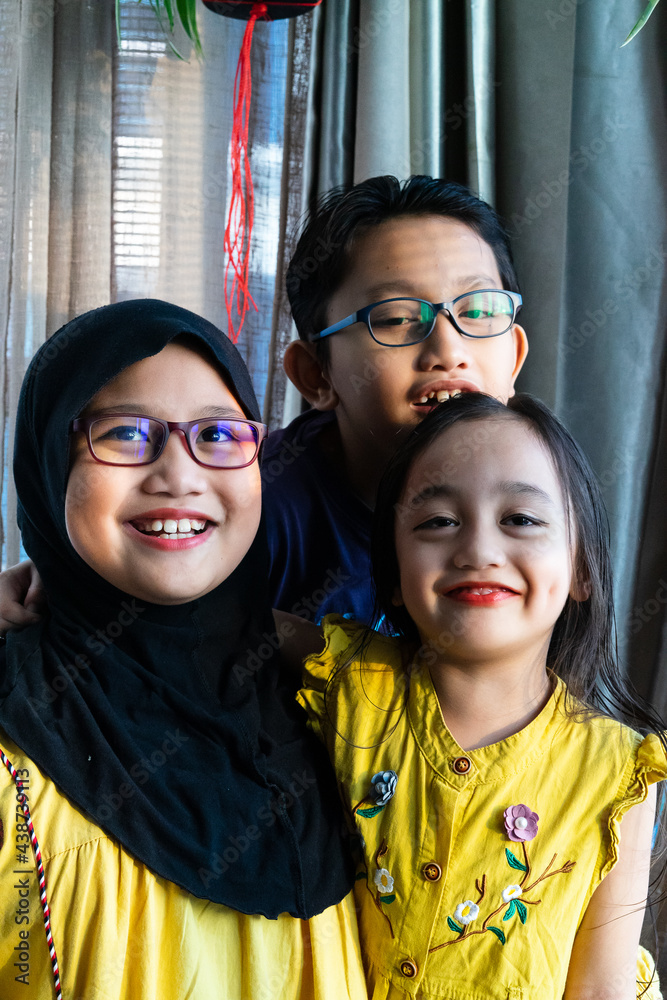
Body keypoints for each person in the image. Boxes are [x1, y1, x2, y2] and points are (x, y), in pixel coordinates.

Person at [0, 300, 366, 1000]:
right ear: (49, 464)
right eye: (125, 432)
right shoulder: (14, 756)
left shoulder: (349, 718)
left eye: (219, 433)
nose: (177, 474)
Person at [0, 175, 530, 630]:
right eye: (395, 318)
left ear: (515, 356)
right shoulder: (255, 509)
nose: (450, 350)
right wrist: (60, 572)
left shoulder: (546, 494)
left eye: (481, 310)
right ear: (315, 374)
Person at [296, 392, 666, 998]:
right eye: (439, 522)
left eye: (520, 519)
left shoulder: (619, 774)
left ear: (581, 569)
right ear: (394, 573)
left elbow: (602, 988)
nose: (478, 551)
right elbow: (224, 627)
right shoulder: (345, 679)